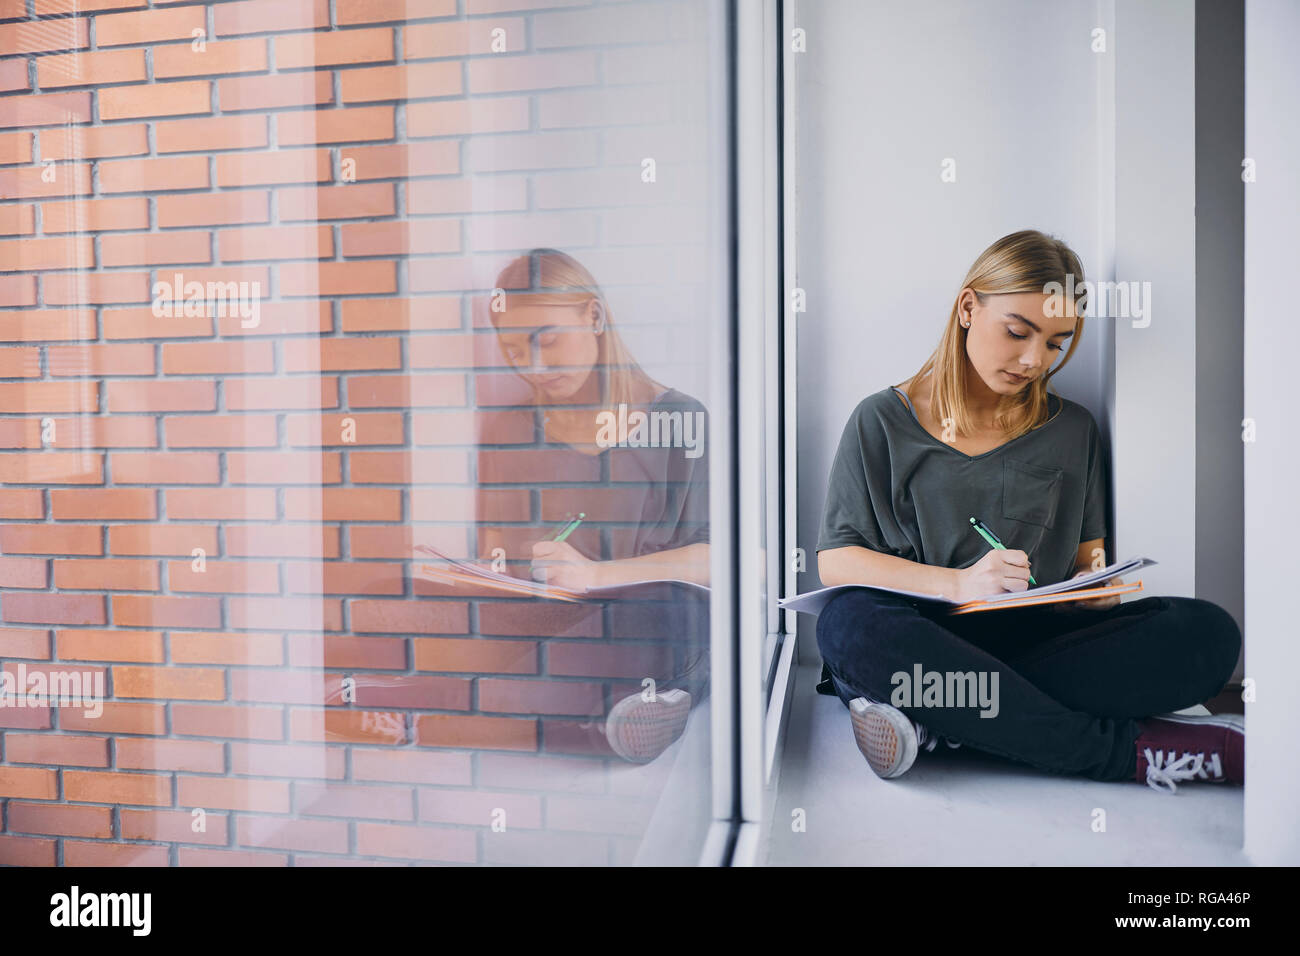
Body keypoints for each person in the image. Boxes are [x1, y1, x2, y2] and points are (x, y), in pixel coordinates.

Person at [814, 229, 1243, 794]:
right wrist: (960, 584)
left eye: (1056, 344)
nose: (1033, 360)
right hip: (923, 636)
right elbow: (837, 563)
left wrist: (1095, 588)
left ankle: (943, 723)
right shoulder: (880, 420)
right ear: (969, 307)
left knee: (1205, 633)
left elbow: (1091, 560)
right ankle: (1120, 754)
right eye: (1018, 332)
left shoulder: (1073, 430)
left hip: (1032, 643)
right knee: (848, 625)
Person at [479, 248, 710, 764]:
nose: (534, 366)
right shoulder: (506, 431)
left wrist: (595, 575)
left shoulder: (681, 419)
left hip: (648, 614)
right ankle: (604, 713)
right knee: (399, 595)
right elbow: (493, 549)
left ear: (594, 316)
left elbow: (721, 559)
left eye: (547, 339)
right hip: (547, 616)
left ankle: (556, 707)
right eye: (514, 350)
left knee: (665, 611)